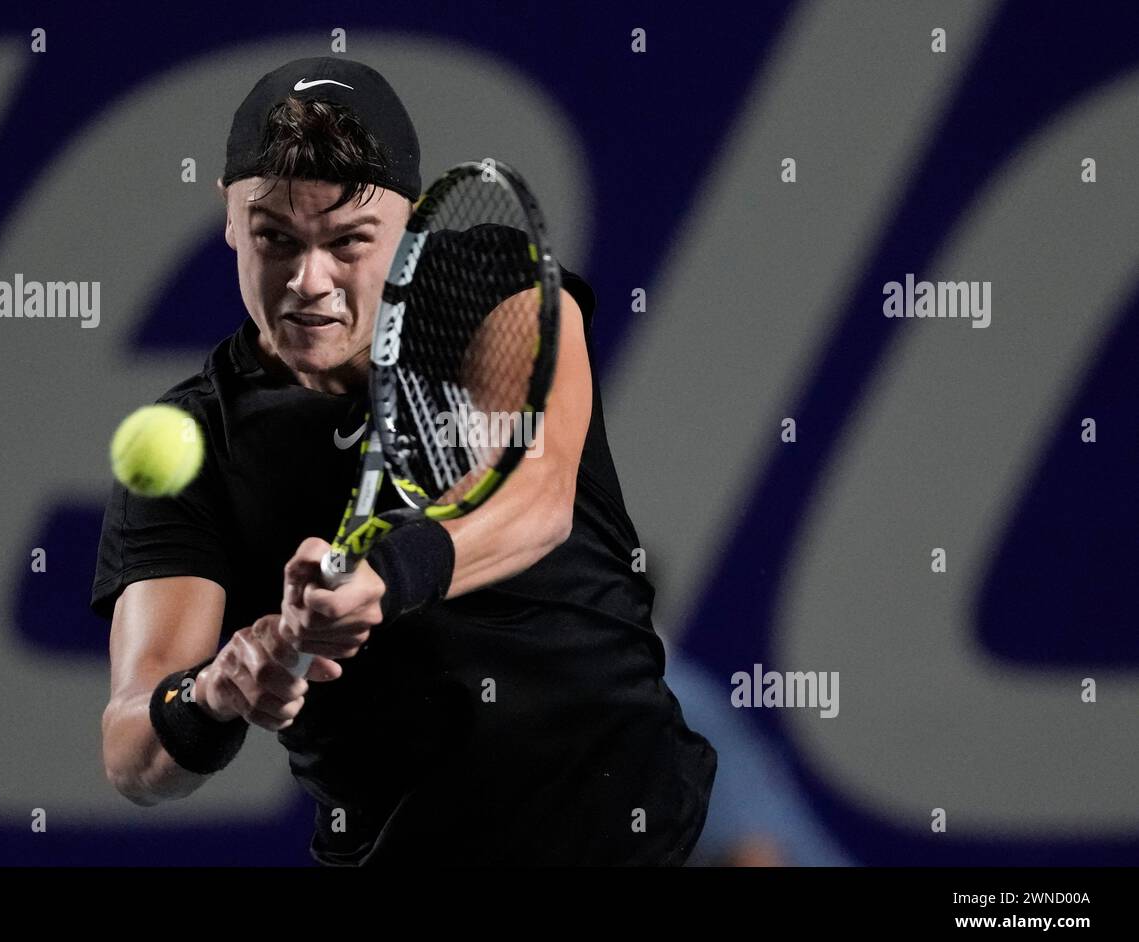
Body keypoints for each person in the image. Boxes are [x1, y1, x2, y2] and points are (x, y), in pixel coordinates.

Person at [92, 56, 717, 865]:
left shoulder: (498, 286)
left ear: (412, 221)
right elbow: (131, 751)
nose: (308, 282)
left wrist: (382, 578)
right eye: (273, 238)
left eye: (350, 241)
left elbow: (533, 496)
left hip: (632, 834)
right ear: (227, 213)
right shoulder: (196, 440)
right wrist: (214, 693)